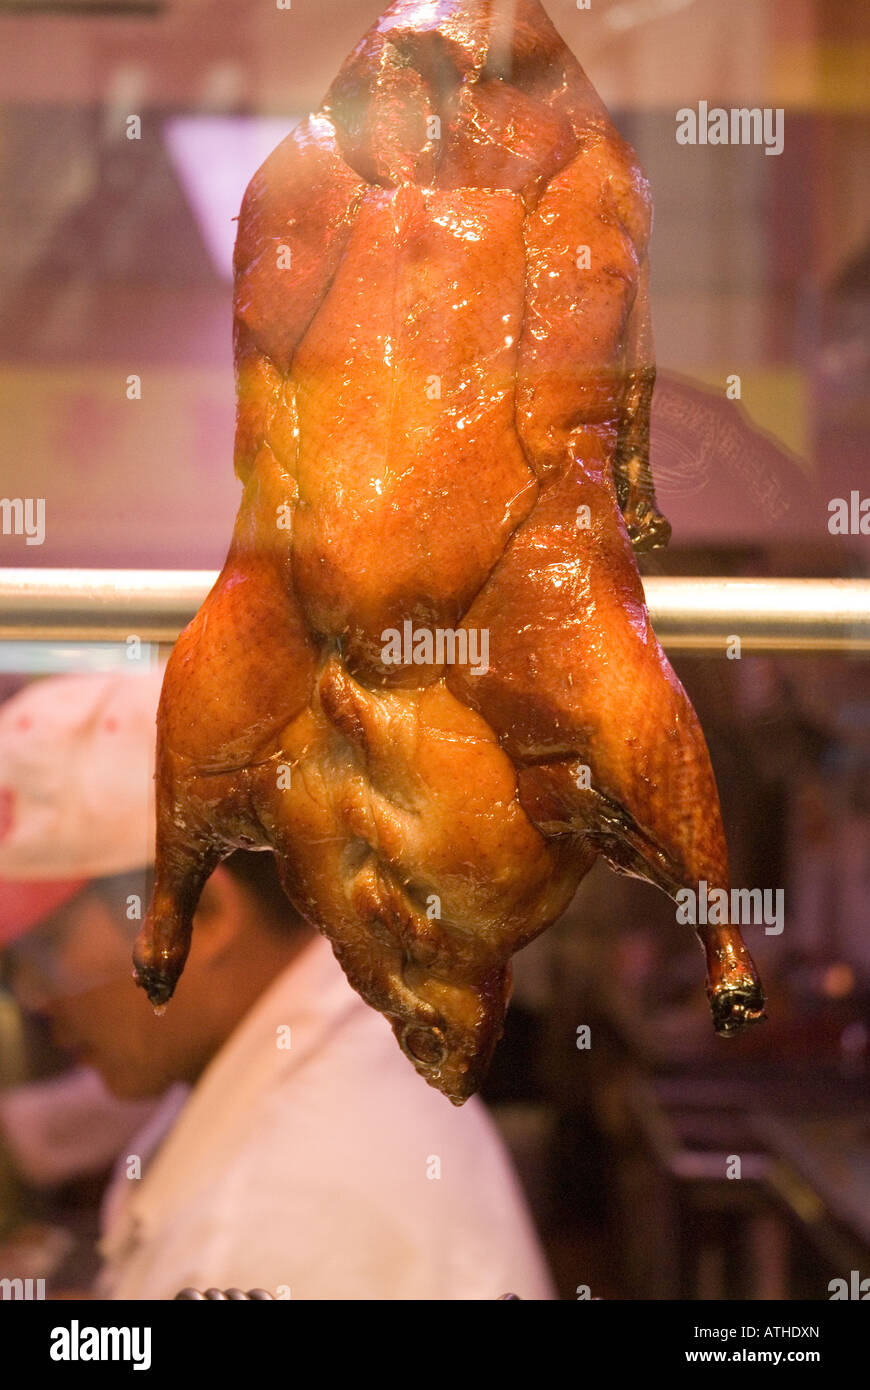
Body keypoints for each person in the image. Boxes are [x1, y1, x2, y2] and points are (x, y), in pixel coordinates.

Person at [0, 667, 556, 1299]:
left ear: (200, 917)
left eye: (45, 948)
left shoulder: (258, 1232)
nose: (33, 994)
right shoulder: (331, 1041)